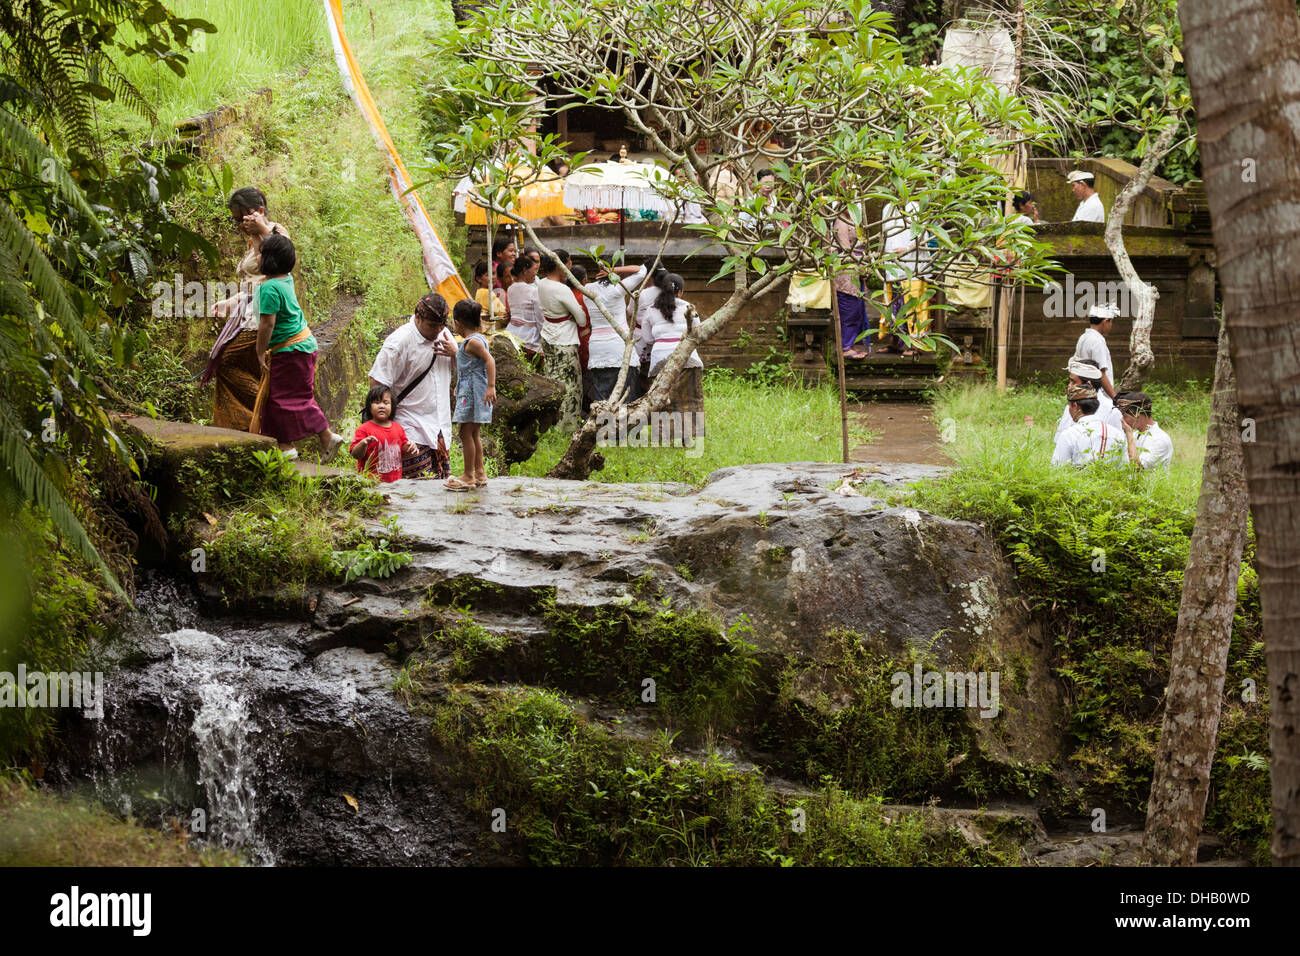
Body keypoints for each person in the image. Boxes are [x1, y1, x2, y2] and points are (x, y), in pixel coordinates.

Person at [203, 187, 291, 431]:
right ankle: (251, 428)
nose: (239, 225)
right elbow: (254, 285)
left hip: (267, 316)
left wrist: (262, 230)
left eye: (242, 218)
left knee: (227, 361)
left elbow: (282, 264)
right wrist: (231, 302)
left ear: (259, 211)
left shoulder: (276, 231)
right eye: (235, 220)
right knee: (251, 371)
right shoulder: (252, 240)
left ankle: (275, 416)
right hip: (251, 313)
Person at [251, 235, 343, 458]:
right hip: (301, 346)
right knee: (282, 398)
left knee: (285, 399)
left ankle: (308, 441)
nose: (257, 256)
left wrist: (260, 351)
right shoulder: (285, 279)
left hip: (290, 350)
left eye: (260, 253)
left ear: (270, 259)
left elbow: (267, 322)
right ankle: (286, 444)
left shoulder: (270, 288)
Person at [368, 292, 458, 479]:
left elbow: (464, 367)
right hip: (410, 429)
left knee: (440, 495)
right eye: (432, 326)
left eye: (441, 326)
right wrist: (387, 430)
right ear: (418, 317)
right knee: (415, 492)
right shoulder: (399, 342)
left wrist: (456, 353)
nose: (437, 331)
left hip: (439, 429)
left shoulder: (445, 336)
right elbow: (377, 384)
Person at [645, 272, 705, 443]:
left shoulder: (650, 310)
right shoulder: (689, 308)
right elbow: (697, 334)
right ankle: (689, 435)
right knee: (690, 398)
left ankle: (664, 436)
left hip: (659, 359)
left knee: (662, 400)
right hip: (688, 358)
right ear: (681, 292)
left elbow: (648, 339)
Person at [446, 300, 496, 491]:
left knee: (465, 432)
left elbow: (490, 361)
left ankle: (468, 475)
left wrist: (491, 386)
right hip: (472, 391)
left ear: (457, 323)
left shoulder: (473, 342)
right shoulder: (474, 340)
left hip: (475, 394)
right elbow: (468, 363)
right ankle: (480, 472)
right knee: (474, 432)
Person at [536, 253, 589, 429]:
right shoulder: (562, 289)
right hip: (564, 339)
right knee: (571, 385)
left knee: (552, 379)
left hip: (548, 335)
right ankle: (566, 425)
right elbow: (581, 318)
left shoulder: (541, 283)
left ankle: (551, 422)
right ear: (560, 265)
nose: (569, 266)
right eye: (568, 263)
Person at [583, 264, 644, 403]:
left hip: (597, 350)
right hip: (619, 348)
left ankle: (604, 425)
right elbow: (642, 271)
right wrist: (615, 271)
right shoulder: (618, 289)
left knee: (602, 400)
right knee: (626, 400)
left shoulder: (587, 289)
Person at [881, 199, 932, 356]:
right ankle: (895, 341)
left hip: (913, 266)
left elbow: (924, 237)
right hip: (893, 266)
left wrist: (907, 249)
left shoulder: (915, 208)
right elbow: (885, 235)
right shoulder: (888, 208)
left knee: (914, 306)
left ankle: (915, 346)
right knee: (894, 304)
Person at [350, 384, 419, 483]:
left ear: (392, 406)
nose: (382, 406)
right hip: (371, 484)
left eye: (386, 403)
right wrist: (363, 444)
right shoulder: (363, 429)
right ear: (369, 406)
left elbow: (403, 452)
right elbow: (355, 454)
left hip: (395, 483)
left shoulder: (398, 428)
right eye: (377, 402)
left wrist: (410, 447)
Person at [1051, 382, 1123, 467]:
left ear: (1075, 405)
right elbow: (1123, 467)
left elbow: (1057, 468)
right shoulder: (1117, 435)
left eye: (1069, 406)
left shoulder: (1069, 435)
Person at [1054, 357, 1122, 441]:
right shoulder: (1072, 405)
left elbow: (1118, 445)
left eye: (1073, 382)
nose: (1069, 385)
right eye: (1070, 381)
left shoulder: (1111, 411)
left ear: (1089, 385)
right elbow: (1060, 440)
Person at [833, 211, 870, 359]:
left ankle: (850, 344)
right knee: (848, 310)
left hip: (858, 269)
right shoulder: (840, 222)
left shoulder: (856, 221)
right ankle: (845, 347)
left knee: (856, 310)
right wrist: (860, 265)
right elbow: (846, 248)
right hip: (847, 271)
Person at [1116, 391, 1174, 469]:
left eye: (1125, 416)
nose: (1122, 420)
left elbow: (1136, 466)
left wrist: (1128, 432)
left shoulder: (1160, 439)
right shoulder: (1135, 434)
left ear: (1137, 414)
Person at [1073, 302, 1120, 398]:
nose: (1111, 325)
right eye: (1111, 322)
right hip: (1098, 396)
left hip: (1085, 392)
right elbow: (1101, 374)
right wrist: (1114, 397)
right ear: (1105, 321)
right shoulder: (1097, 341)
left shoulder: (1083, 337)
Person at [505, 254, 543, 365]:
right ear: (525, 270)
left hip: (512, 334)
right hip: (530, 339)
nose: (535, 274)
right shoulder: (533, 291)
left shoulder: (511, 288)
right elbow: (540, 319)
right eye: (534, 270)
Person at [473, 258, 508, 330]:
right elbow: (504, 315)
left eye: (494, 273)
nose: (493, 277)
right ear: (479, 279)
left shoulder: (480, 292)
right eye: (488, 275)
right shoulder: (487, 293)